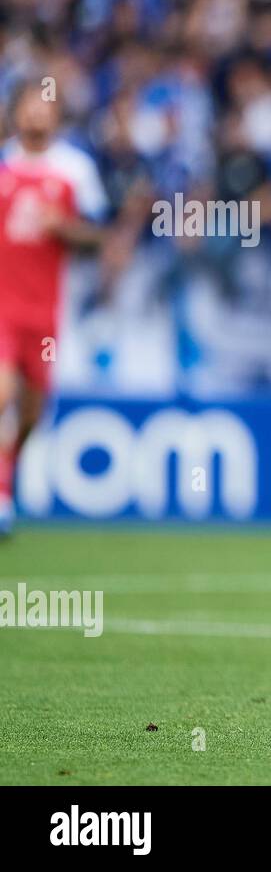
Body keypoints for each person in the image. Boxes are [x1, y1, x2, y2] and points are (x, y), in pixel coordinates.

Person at [0, 81, 109, 536]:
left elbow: (98, 235)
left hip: (45, 313)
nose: (37, 115)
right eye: (30, 106)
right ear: (16, 111)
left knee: (30, 413)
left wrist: (62, 226)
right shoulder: (3, 162)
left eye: (45, 108)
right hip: (2, 306)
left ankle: (6, 482)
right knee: (2, 393)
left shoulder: (75, 170)